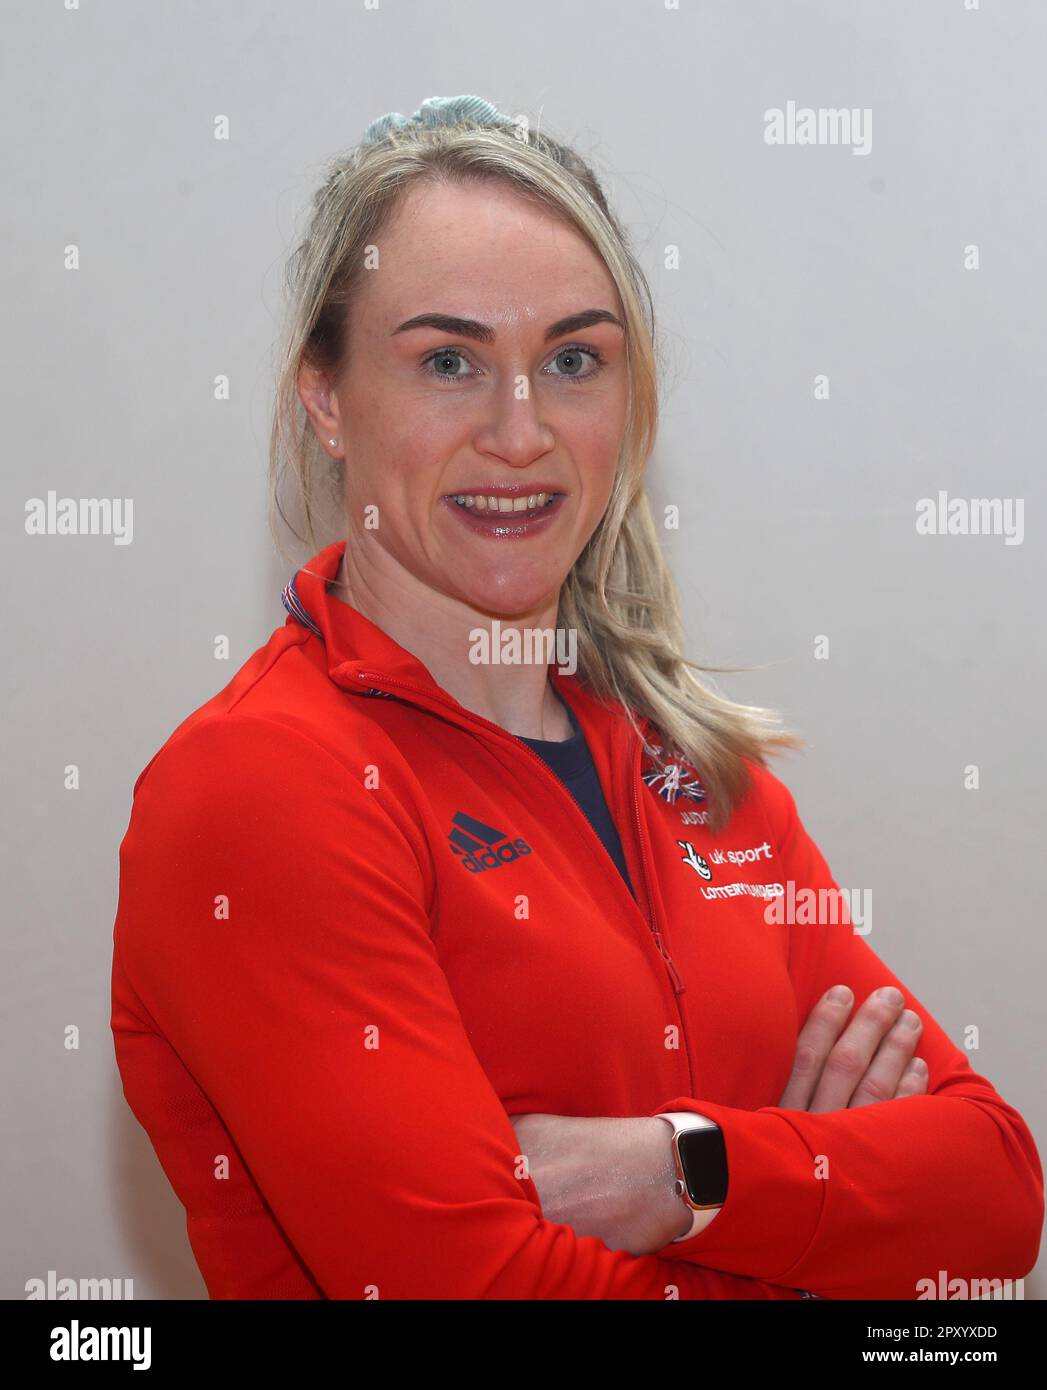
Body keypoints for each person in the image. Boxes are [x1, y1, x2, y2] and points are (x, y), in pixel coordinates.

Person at [110, 96, 1043, 1300]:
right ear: (328, 397)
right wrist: (819, 1227)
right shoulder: (261, 787)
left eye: (572, 361)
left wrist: (682, 1171)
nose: (521, 430)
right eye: (449, 361)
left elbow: (998, 1191)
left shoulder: (694, 769)